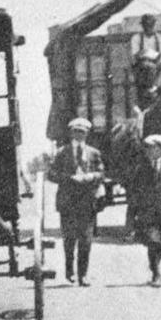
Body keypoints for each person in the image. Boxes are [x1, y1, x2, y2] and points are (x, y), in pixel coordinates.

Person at [47, 116, 105, 287]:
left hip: (87, 204)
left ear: (87, 134)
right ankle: (69, 271)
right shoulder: (62, 153)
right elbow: (51, 174)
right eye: (76, 132)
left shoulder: (94, 153)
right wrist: (70, 178)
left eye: (83, 132)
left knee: (86, 240)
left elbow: (101, 173)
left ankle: (83, 275)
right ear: (71, 133)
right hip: (68, 203)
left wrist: (89, 176)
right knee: (70, 240)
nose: (79, 135)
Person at [126, 134, 161, 285]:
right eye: (147, 148)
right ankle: (156, 273)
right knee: (153, 242)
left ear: (159, 149)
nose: (148, 151)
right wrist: (132, 216)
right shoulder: (141, 169)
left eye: (152, 148)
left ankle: (154, 266)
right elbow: (135, 192)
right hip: (148, 212)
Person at [129, 14, 161, 108]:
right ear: (143, 26)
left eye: (151, 25)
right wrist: (146, 55)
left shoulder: (159, 37)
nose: (149, 27)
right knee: (147, 68)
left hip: (157, 65)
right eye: (146, 25)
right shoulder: (136, 38)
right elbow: (135, 54)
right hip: (142, 66)